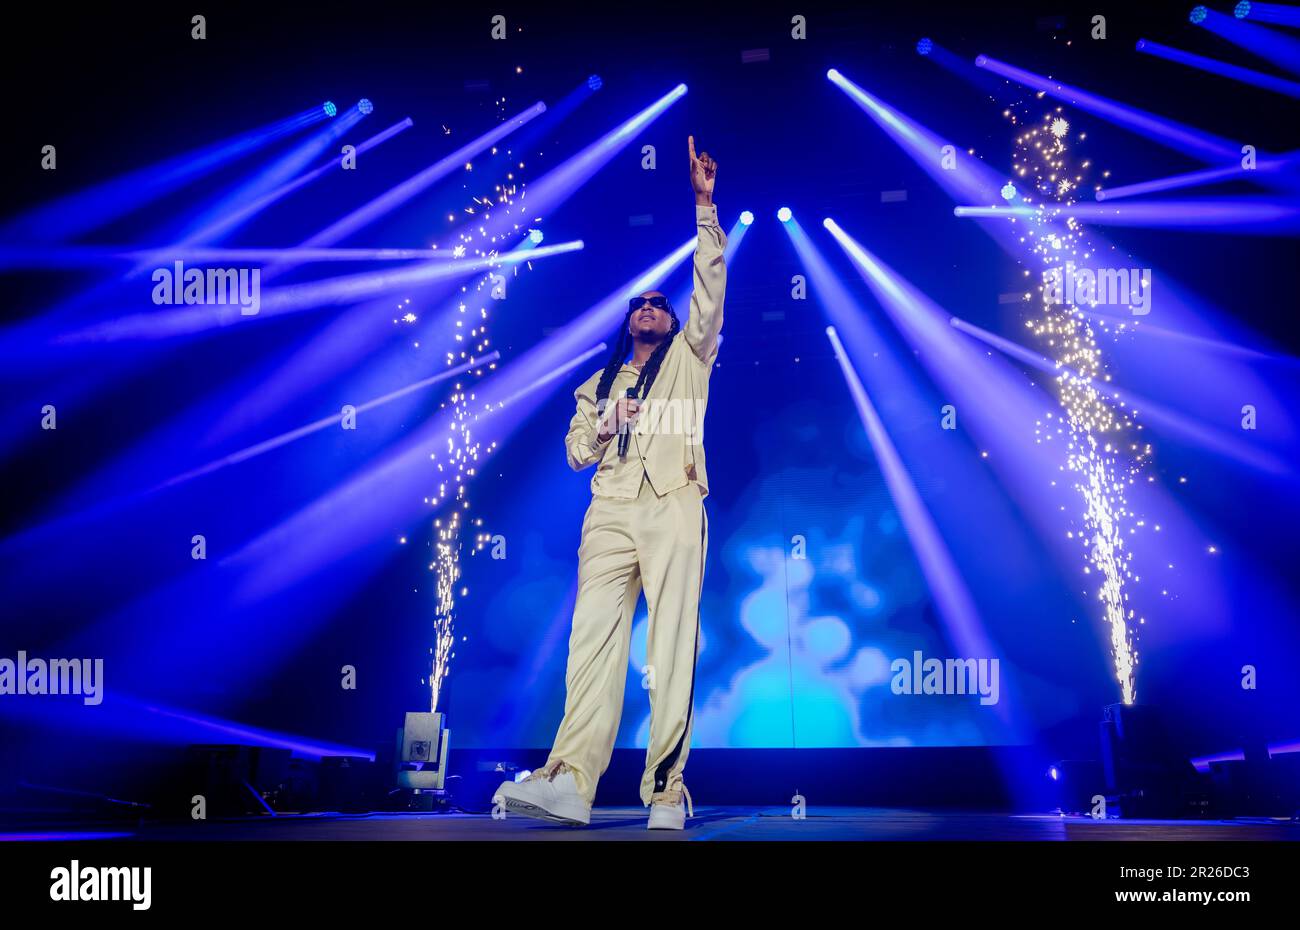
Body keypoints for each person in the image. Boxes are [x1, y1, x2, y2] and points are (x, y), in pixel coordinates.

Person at [494, 137, 725, 830]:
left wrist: (705, 209)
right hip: (609, 511)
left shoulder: (692, 357)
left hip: (674, 501)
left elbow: (710, 295)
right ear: (628, 322)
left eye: (661, 302)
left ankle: (664, 788)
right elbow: (572, 454)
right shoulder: (596, 386)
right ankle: (570, 780)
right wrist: (601, 426)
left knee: (670, 645)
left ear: (673, 319)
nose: (651, 307)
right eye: (640, 304)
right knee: (590, 643)